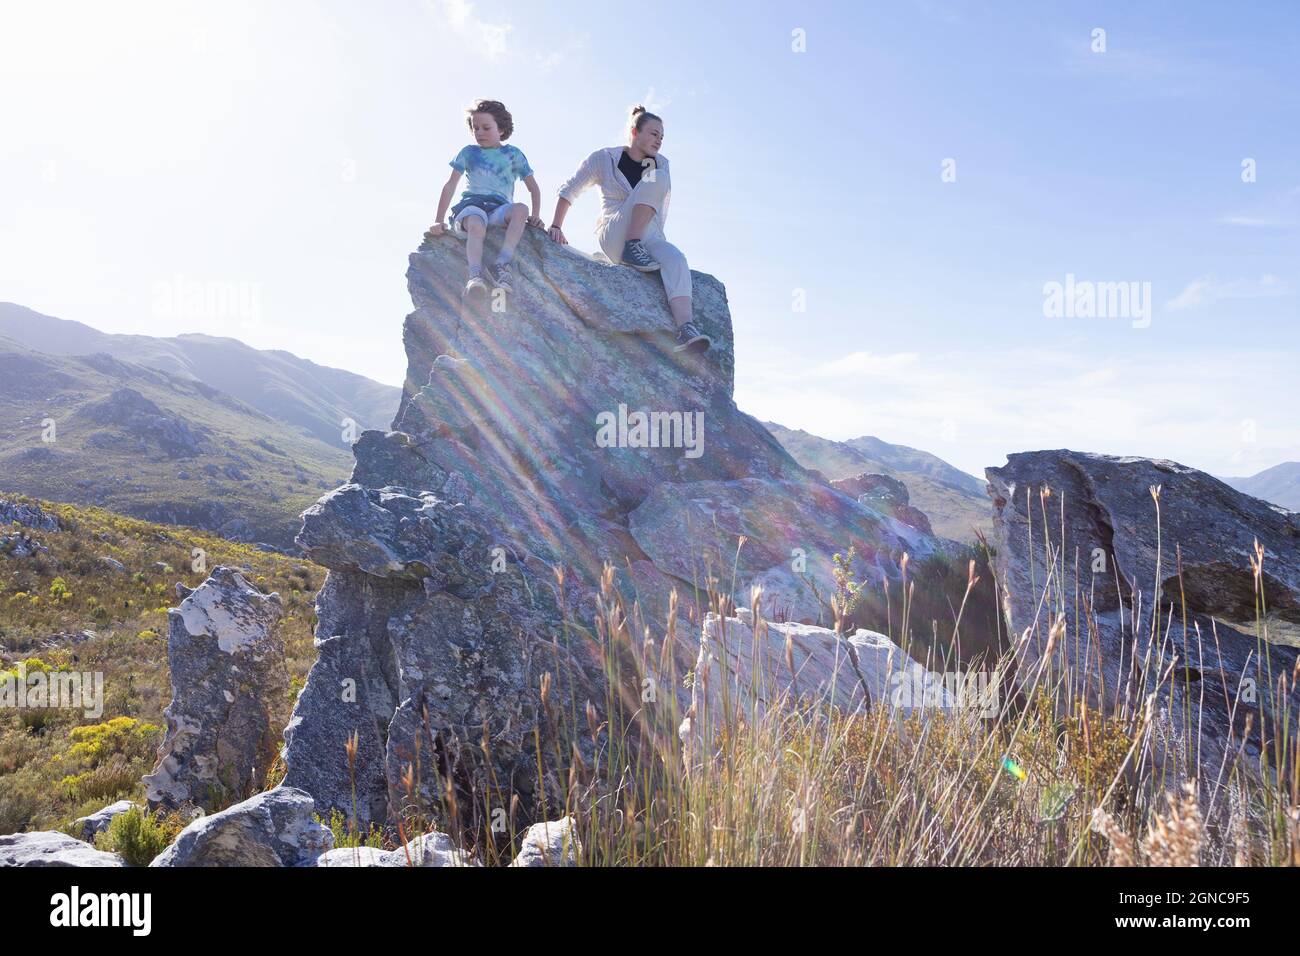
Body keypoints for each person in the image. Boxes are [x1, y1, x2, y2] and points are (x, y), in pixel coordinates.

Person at [549, 106, 711, 353]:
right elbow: (569, 190)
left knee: (676, 259)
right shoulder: (604, 158)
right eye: (654, 134)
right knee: (657, 178)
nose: (659, 140)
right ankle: (631, 246)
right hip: (615, 233)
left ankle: (685, 328)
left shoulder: (661, 163)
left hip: (650, 236)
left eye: (662, 137)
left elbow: (652, 207)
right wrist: (557, 226)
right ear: (635, 132)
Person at [425, 99, 543, 296]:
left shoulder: (513, 154)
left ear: (502, 130)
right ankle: (474, 275)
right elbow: (450, 185)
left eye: (486, 128)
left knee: (521, 209)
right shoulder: (469, 153)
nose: (479, 132)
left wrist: (537, 214)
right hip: (472, 206)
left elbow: (534, 188)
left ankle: (500, 265)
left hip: (498, 209)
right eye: (475, 128)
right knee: (476, 224)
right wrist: (438, 220)